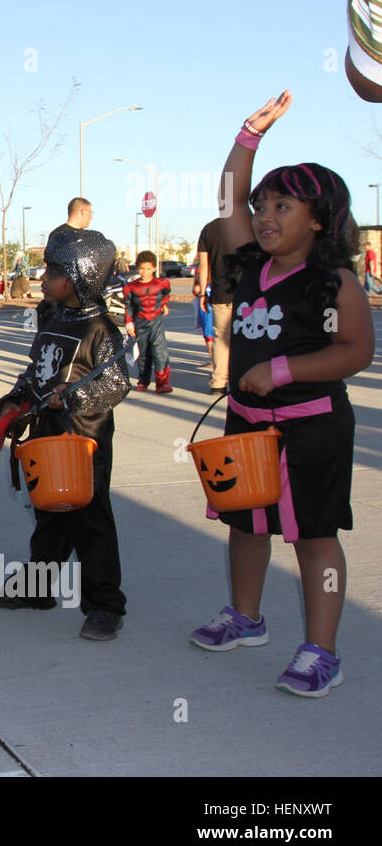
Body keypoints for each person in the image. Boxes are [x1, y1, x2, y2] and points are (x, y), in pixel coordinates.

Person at [188, 91, 373, 698]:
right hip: (246, 423)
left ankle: (322, 650)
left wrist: (285, 370)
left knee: (314, 535)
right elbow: (225, 199)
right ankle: (246, 618)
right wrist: (248, 136)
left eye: (282, 206)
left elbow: (355, 352)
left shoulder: (335, 280)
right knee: (246, 525)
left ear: (318, 219)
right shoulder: (246, 266)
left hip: (313, 425)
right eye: (261, 205)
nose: (264, 216)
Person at [0, 229, 131, 640]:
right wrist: (15, 401)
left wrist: (70, 398)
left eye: (52, 271)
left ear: (78, 278)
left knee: (91, 520)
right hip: (48, 438)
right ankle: (36, 589)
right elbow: (37, 371)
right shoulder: (53, 318)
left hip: (84, 441)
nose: (43, 279)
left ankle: (105, 605)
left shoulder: (101, 329)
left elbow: (116, 384)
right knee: (49, 514)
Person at [195, 216, 237, 394]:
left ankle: (218, 383)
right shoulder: (248, 222)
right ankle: (239, 378)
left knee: (221, 338)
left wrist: (203, 292)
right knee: (243, 337)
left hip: (220, 292)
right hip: (247, 292)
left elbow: (204, 264)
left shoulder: (209, 229)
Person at [122, 250, 173, 393]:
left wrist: (164, 304)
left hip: (156, 321)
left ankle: (162, 383)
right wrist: (129, 324)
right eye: (142, 269)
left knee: (160, 351)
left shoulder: (162, 283)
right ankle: (143, 380)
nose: (145, 272)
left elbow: (165, 295)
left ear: (154, 268)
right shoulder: (131, 288)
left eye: (149, 269)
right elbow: (129, 307)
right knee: (143, 353)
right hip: (140, 322)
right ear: (137, 268)